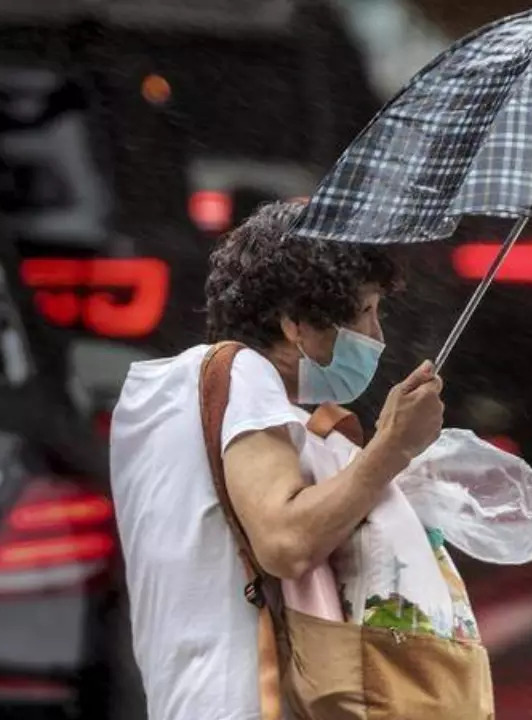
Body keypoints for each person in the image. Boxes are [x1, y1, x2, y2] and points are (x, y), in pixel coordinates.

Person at [108, 200, 446, 720]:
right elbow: (285, 541)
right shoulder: (242, 374)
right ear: (295, 322)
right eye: (365, 312)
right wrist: (393, 447)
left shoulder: (180, 397)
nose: (377, 338)